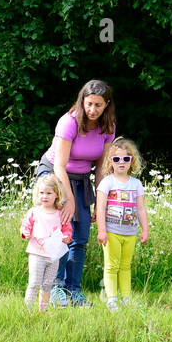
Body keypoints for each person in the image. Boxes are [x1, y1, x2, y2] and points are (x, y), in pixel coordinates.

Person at [34, 80, 117, 307]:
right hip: (55, 175)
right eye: (89, 104)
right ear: (82, 101)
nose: (92, 110)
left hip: (81, 179)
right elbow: (60, 165)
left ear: (106, 105)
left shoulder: (107, 127)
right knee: (61, 231)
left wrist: (101, 202)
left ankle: (73, 289)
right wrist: (68, 201)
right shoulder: (68, 122)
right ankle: (56, 287)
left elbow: (101, 168)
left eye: (98, 105)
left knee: (80, 236)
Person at [95, 137, 149, 311]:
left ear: (131, 160)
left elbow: (141, 208)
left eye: (126, 158)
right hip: (111, 232)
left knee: (125, 266)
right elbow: (100, 208)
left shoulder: (136, 184)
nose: (121, 162)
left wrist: (145, 229)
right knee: (111, 266)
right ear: (110, 161)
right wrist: (101, 231)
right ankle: (112, 300)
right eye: (116, 158)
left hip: (130, 232)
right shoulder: (107, 182)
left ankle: (126, 298)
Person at [20, 174, 73, 311]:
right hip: (37, 254)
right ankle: (28, 310)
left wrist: (67, 237)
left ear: (57, 194)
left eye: (49, 193)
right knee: (34, 282)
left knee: (47, 283)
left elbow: (67, 229)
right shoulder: (35, 212)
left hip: (53, 256)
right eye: (42, 193)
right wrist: (25, 232)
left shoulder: (60, 213)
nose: (45, 196)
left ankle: (43, 309)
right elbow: (26, 225)